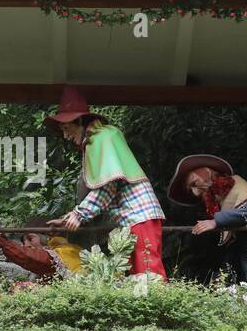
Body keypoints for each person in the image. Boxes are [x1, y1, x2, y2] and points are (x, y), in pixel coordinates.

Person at [44, 85, 167, 279]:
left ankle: (161, 308)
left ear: (79, 121)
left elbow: (107, 188)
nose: (66, 136)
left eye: (67, 128)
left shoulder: (103, 137)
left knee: (149, 272)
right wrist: (71, 217)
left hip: (140, 216)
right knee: (139, 276)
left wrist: (78, 215)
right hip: (134, 219)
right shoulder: (100, 138)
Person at [0, 217, 82, 283]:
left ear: (47, 236)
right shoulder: (63, 248)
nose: (26, 245)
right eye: (24, 241)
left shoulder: (65, 251)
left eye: (30, 238)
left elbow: (27, 256)